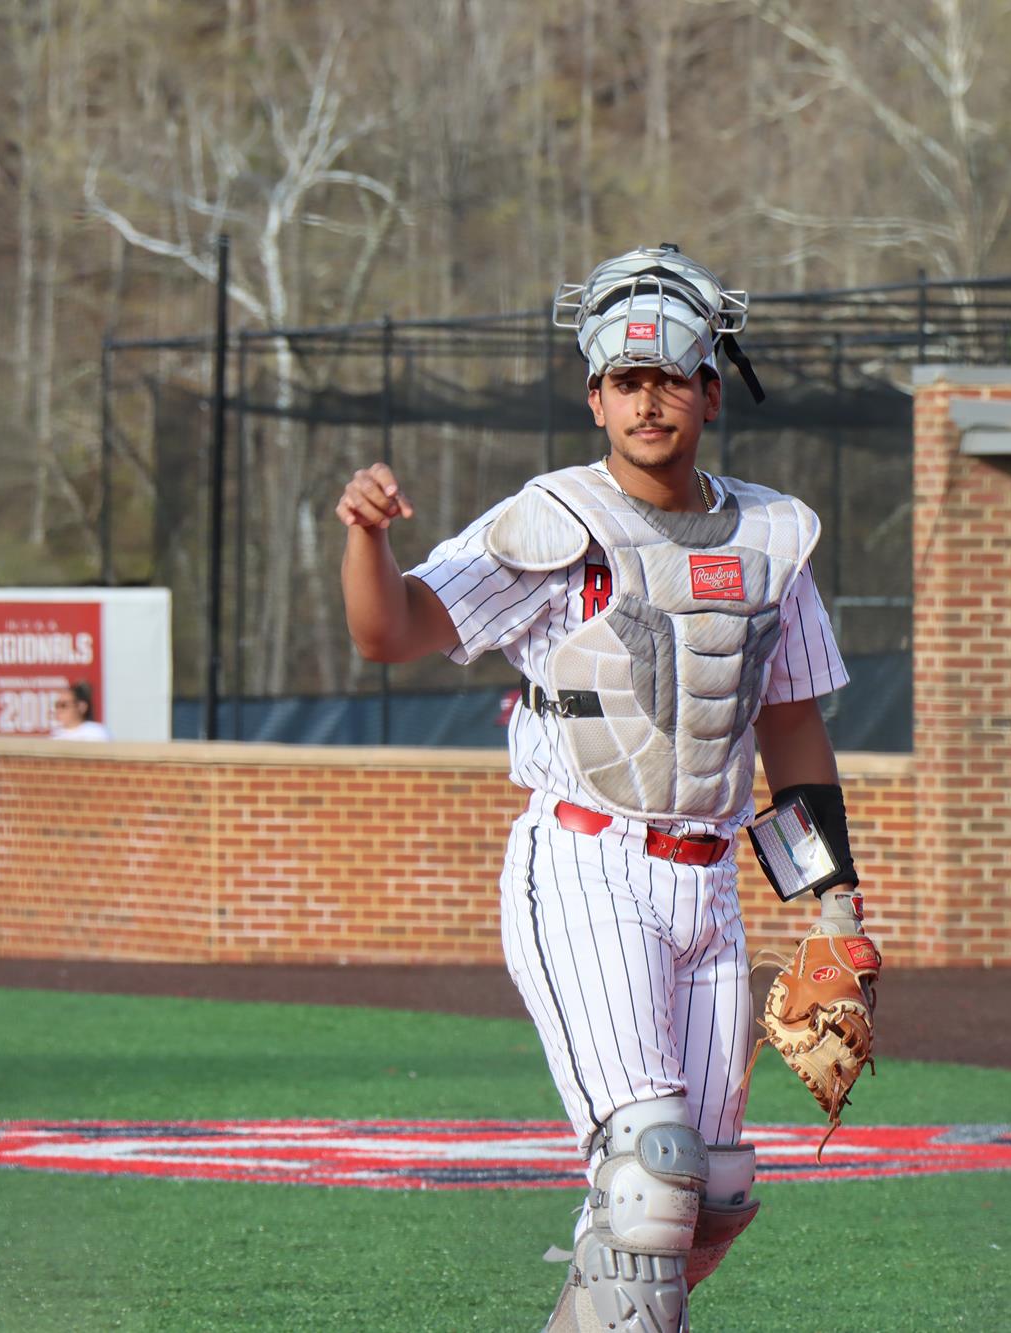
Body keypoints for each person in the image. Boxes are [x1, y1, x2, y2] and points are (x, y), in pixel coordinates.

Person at [336, 243, 868, 1332]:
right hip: (586, 863)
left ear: (711, 391)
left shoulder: (772, 538)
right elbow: (390, 631)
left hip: (709, 887)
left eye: (670, 377)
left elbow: (791, 732)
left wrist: (833, 907)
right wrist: (365, 539)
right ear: (594, 396)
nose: (647, 400)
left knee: (712, 1193)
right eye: (625, 380)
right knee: (650, 1171)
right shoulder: (555, 520)